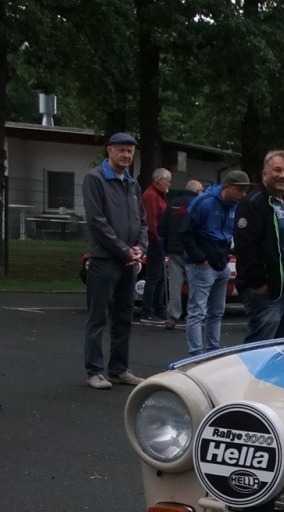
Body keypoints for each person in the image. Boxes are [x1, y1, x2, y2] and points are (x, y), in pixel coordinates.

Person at [81, 132, 147, 390]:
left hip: (128, 261)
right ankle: (94, 370)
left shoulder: (132, 183)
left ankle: (119, 368)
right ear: (109, 151)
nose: (126, 155)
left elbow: (141, 221)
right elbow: (97, 221)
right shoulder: (95, 179)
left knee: (123, 316)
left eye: (130, 151)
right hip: (104, 259)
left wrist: (140, 247)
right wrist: (123, 250)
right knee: (98, 317)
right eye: (121, 150)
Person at [235, 150, 284, 343]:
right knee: (260, 349)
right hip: (269, 293)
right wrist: (259, 283)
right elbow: (245, 246)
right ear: (265, 173)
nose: (283, 175)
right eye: (277, 170)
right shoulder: (254, 203)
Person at [182, 170, 249, 355]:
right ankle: (196, 352)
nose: (243, 195)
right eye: (240, 190)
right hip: (203, 263)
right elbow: (185, 231)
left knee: (217, 311)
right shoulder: (204, 202)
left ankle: (213, 348)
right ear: (228, 187)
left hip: (220, 260)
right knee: (198, 311)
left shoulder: (233, 206)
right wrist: (200, 258)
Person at [160, 179, 200, 329]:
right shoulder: (198, 204)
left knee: (174, 285)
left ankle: (172, 317)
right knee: (194, 285)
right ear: (197, 192)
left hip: (174, 249)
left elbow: (162, 226)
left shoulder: (172, 204)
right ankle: (193, 316)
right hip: (192, 250)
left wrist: (165, 244)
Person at [139, 167, 171, 325]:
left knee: (160, 277)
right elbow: (151, 222)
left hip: (159, 241)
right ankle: (148, 311)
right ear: (159, 180)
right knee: (154, 277)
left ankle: (158, 308)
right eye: (167, 180)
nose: (169, 184)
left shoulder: (158, 195)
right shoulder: (151, 196)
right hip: (155, 242)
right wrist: (159, 239)